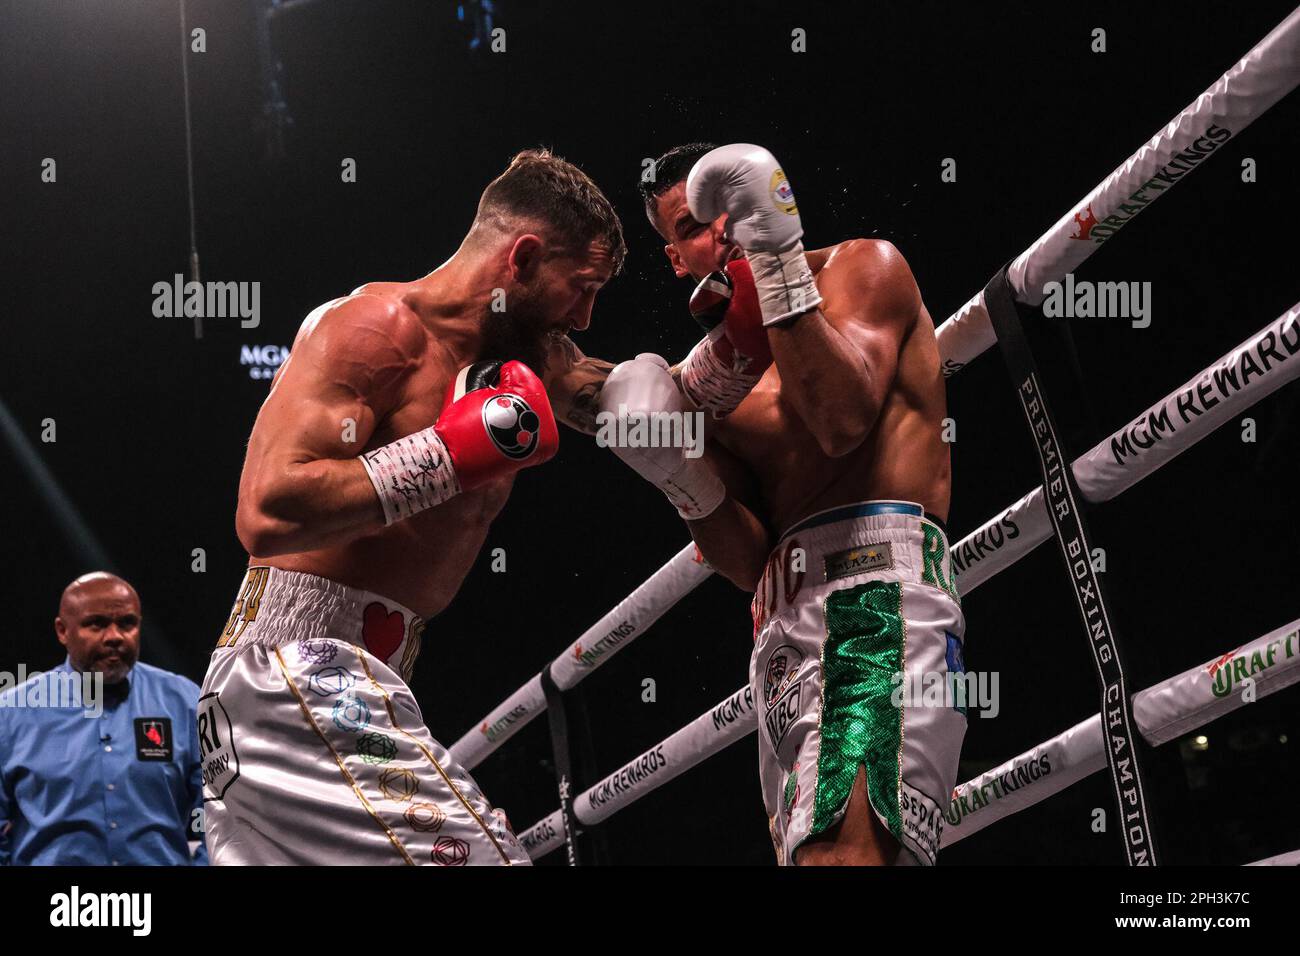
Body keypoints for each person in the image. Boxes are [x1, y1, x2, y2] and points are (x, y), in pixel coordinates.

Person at [200, 148, 623, 865]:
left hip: (330, 682)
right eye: (581, 287)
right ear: (521, 258)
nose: (585, 314)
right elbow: (267, 509)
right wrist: (448, 455)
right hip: (298, 670)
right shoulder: (373, 331)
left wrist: (737, 350)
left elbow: (633, 404)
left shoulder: (523, 360)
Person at [602, 142, 965, 865]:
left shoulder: (863, 269)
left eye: (727, 209)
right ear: (676, 259)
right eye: (690, 226)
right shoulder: (711, 388)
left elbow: (841, 421)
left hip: (873, 604)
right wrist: (677, 472)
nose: (718, 231)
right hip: (776, 637)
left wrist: (774, 266)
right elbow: (742, 557)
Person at [0, 572, 207, 865]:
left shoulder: (183, 701)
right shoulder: (11, 712)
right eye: (96, 624)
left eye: (127, 623)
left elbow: (222, 811)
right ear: (62, 631)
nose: (114, 637)